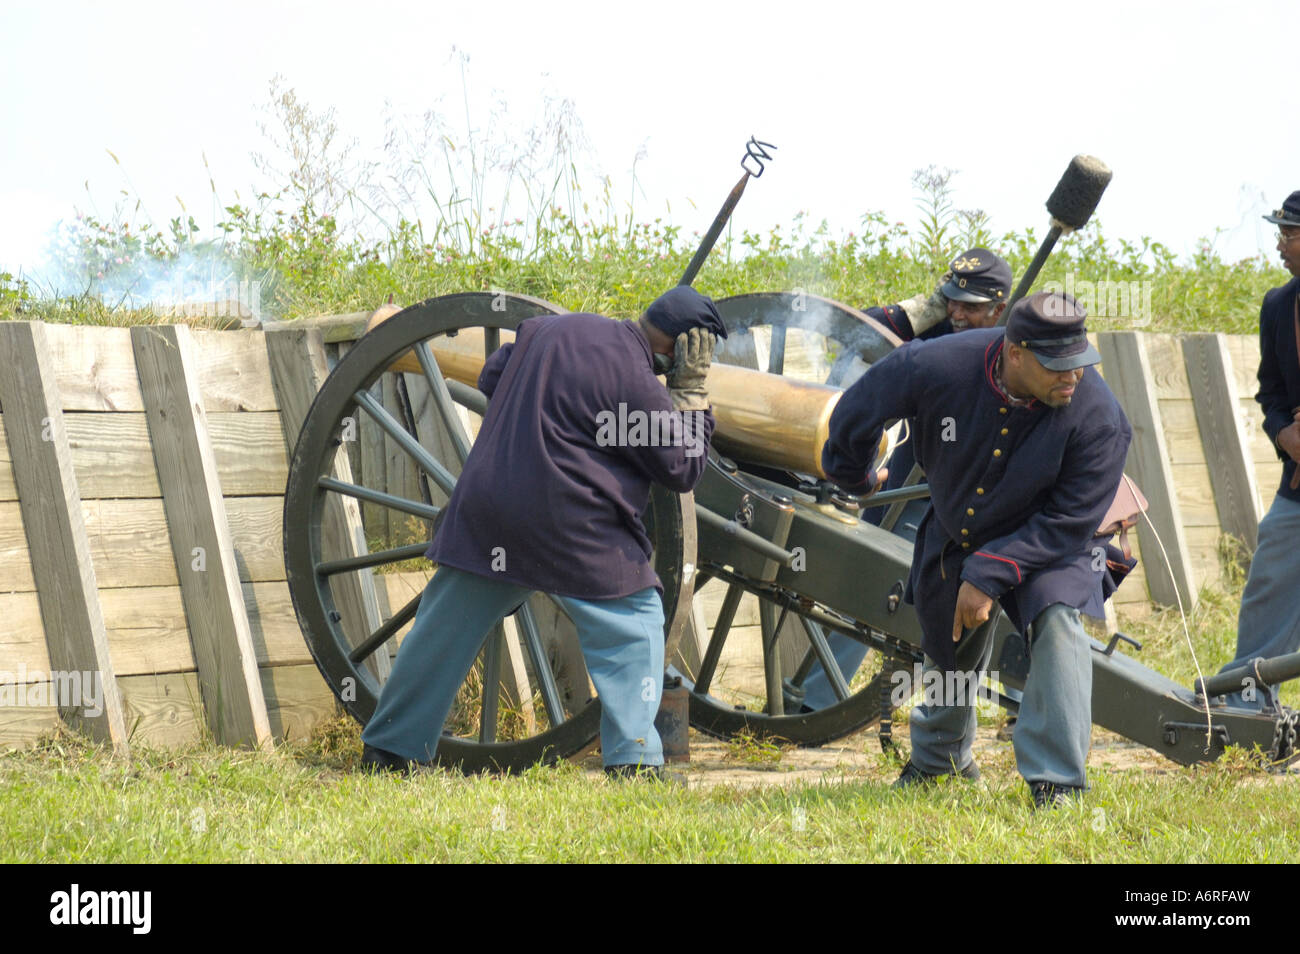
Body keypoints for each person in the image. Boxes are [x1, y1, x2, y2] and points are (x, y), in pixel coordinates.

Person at [360, 287, 726, 778]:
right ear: (681, 350)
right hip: (572, 530)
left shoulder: (551, 328)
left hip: (490, 514)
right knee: (636, 625)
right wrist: (691, 395)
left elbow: (494, 375)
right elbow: (682, 467)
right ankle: (634, 761)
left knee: (440, 629)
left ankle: (390, 750)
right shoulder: (639, 383)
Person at [821, 291, 1131, 808]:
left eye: (1079, 364)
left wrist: (988, 574)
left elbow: (1071, 521)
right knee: (949, 635)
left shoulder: (1099, 417)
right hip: (959, 527)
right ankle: (938, 761)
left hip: (1053, 540)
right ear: (1015, 354)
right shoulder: (938, 364)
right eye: (1056, 366)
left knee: (1057, 620)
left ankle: (1057, 783)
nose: (1072, 378)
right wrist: (851, 473)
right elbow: (861, 405)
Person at [797, 248, 1012, 714]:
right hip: (901, 480)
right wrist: (923, 310)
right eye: (951, 299)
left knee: (922, 597)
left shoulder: (1012, 350)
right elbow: (858, 333)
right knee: (866, 585)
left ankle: (1017, 698)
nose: (957, 312)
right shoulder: (939, 328)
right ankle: (815, 700)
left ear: (999, 309)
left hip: (960, 493)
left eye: (970, 306)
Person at [1214, 191, 1300, 706]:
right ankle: (1246, 702)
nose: (1280, 244)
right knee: (1269, 584)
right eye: (1282, 233)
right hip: (1296, 489)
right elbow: (1269, 393)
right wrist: (1282, 434)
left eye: (1289, 234)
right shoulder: (1278, 305)